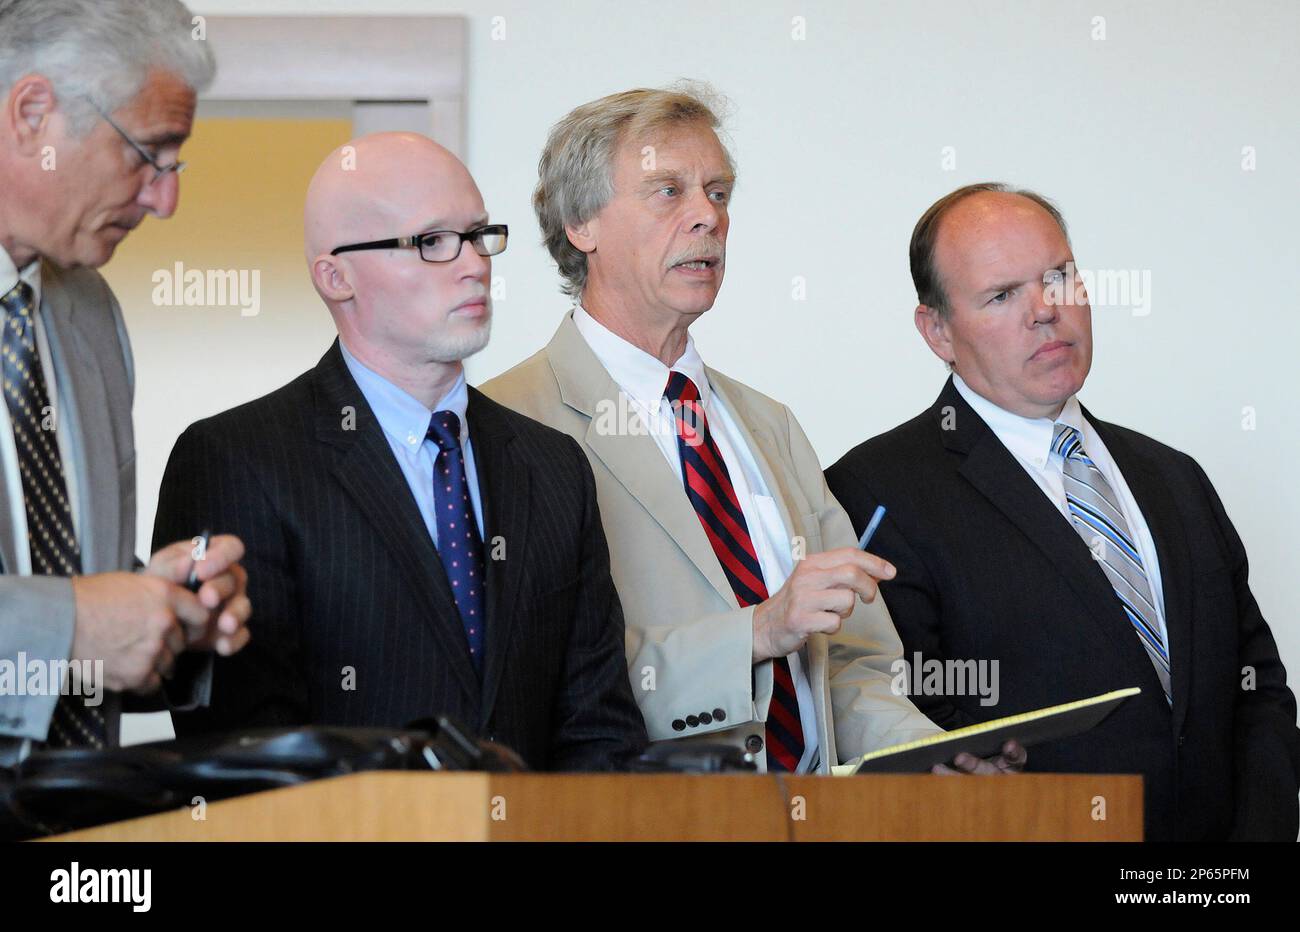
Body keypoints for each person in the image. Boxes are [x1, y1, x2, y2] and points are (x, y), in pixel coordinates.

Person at [482, 86, 1023, 774]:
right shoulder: (507, 427)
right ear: (581, 222)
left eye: (719, 192)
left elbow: (853, 664)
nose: (706, 216)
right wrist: (759, 631)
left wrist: (929, 758)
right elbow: (540, 682)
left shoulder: (770, 425)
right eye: (667, 191)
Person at [152, 132, 648, 771]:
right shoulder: (237, 459)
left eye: (478, 235)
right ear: (336, 277)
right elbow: (245, 757)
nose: (474, 264)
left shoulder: (553, 465)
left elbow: (599, 732)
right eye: (432, 242)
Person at [826, 182, 1300, 839]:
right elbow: (908, 723)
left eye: (1059, 278)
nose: (1046, 311)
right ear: (937, 330)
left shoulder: (1174, 476)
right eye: (1002, 294)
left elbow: (1256, 692)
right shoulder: (873, 490)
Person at [0, 0, 250, 764]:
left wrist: (162, 614)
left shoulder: (90, 313)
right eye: (148, 154)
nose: (164, 201)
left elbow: (73, 597)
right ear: (32, 111)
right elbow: (67, 620)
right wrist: (72, 626)